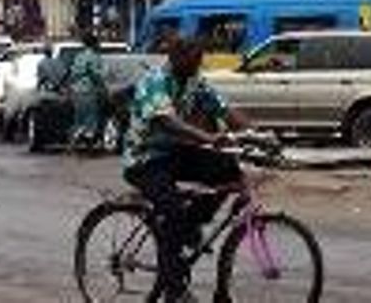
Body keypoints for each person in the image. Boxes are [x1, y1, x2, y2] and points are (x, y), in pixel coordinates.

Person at [122, 36, 248, 303]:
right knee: (173, 212)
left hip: (174, 154)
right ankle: (174, 289)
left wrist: (257, 135)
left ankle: (190, 225)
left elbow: (224, 109)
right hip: (144, 160)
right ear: (177, 59)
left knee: (228, 170)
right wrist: (208, 137)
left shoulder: (195, 82)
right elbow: (168, 122)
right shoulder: (154, 82)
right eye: (194, 61)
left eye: (199, 60)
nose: (198, 65)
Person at [67, 29, 109, 148]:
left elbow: (73, 74)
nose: (99, 45)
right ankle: (88, 144)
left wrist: (70, 89)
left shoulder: (79, 56)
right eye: (98, 43)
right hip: (88, 91)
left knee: (79, 118)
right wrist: (104, 89)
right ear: (94, 44)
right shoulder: (94, 57)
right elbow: (95, 75)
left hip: (77, 92)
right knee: (91, 119)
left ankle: (75, 141)